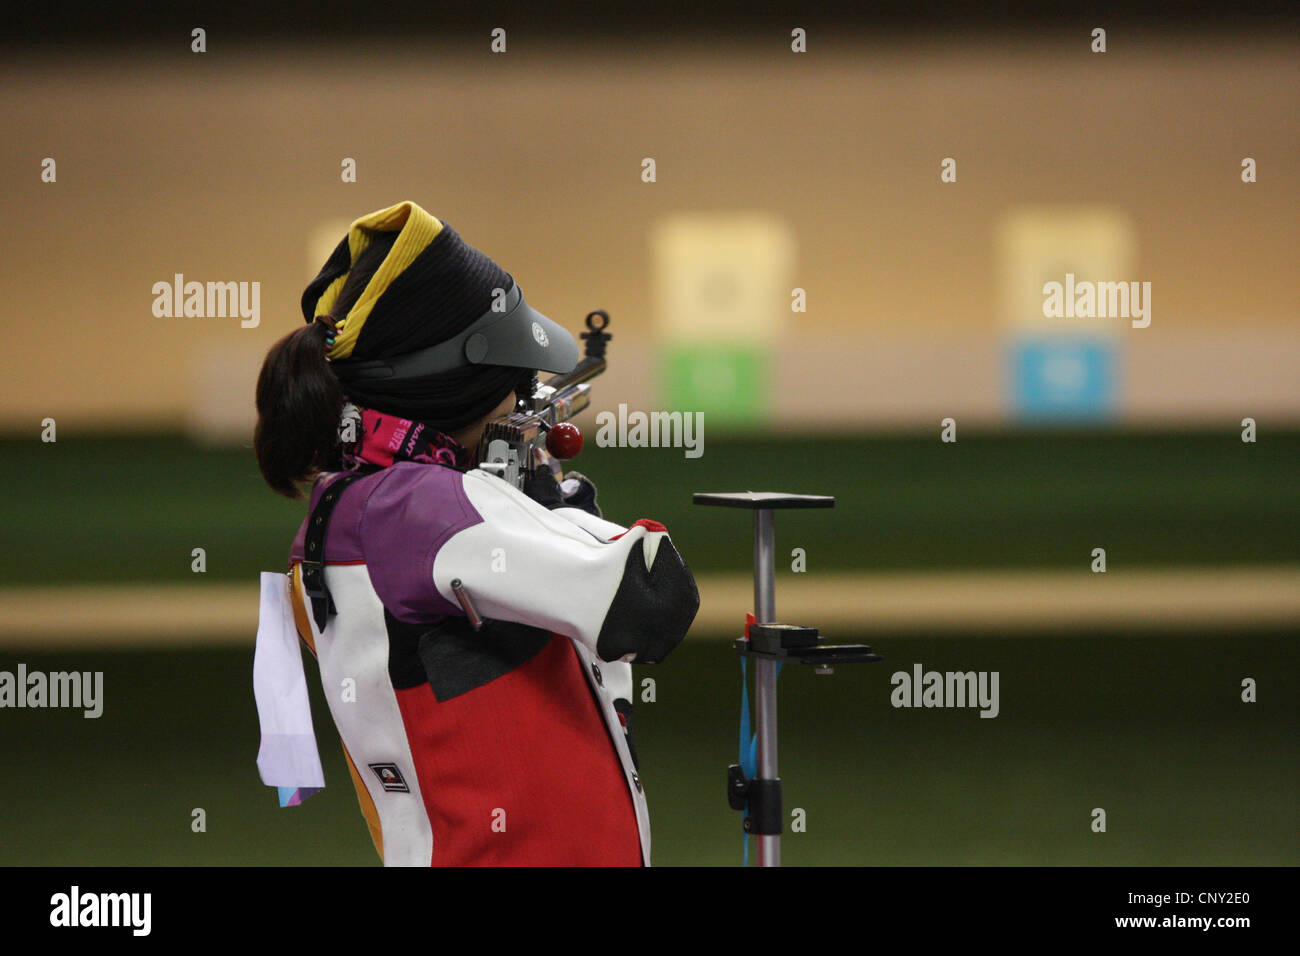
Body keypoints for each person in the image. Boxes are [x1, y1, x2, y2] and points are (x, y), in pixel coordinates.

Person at [253, 200, 699, 866]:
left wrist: (531, 498)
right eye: (516, 389)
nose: (526, 403)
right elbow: (653, 601)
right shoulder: (420, 507)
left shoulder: (355, 507)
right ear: (461, 390)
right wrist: (543, 499)